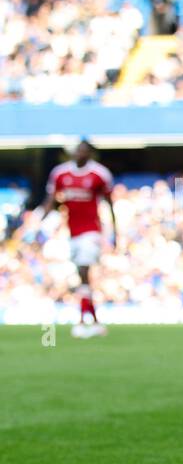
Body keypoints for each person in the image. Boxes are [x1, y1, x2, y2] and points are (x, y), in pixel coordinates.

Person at [34, 140, 116, 337]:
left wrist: (115, 234)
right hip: (72, 233)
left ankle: (81, 322)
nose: (81, 154)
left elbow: (109, 204)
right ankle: (94, 322)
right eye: (78, 151)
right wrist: (37, 225)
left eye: (85, 151)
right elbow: (51, 200)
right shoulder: (60, 174)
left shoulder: (99, 174)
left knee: (84, 271)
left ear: (90, 154)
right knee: (82, 278)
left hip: (92, 231)